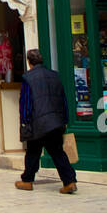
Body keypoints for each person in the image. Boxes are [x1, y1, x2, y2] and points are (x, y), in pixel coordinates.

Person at [15, 48, 78, 194]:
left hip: (39, 123)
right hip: (56, 122)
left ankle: (27, 180)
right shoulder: (55, 76)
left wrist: (25, 122)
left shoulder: (28, 78)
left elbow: (25, 103)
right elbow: (63, 99)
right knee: (57, 152)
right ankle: (69, 181)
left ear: (29, 62)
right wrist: (65, 119)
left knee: (32, 152)